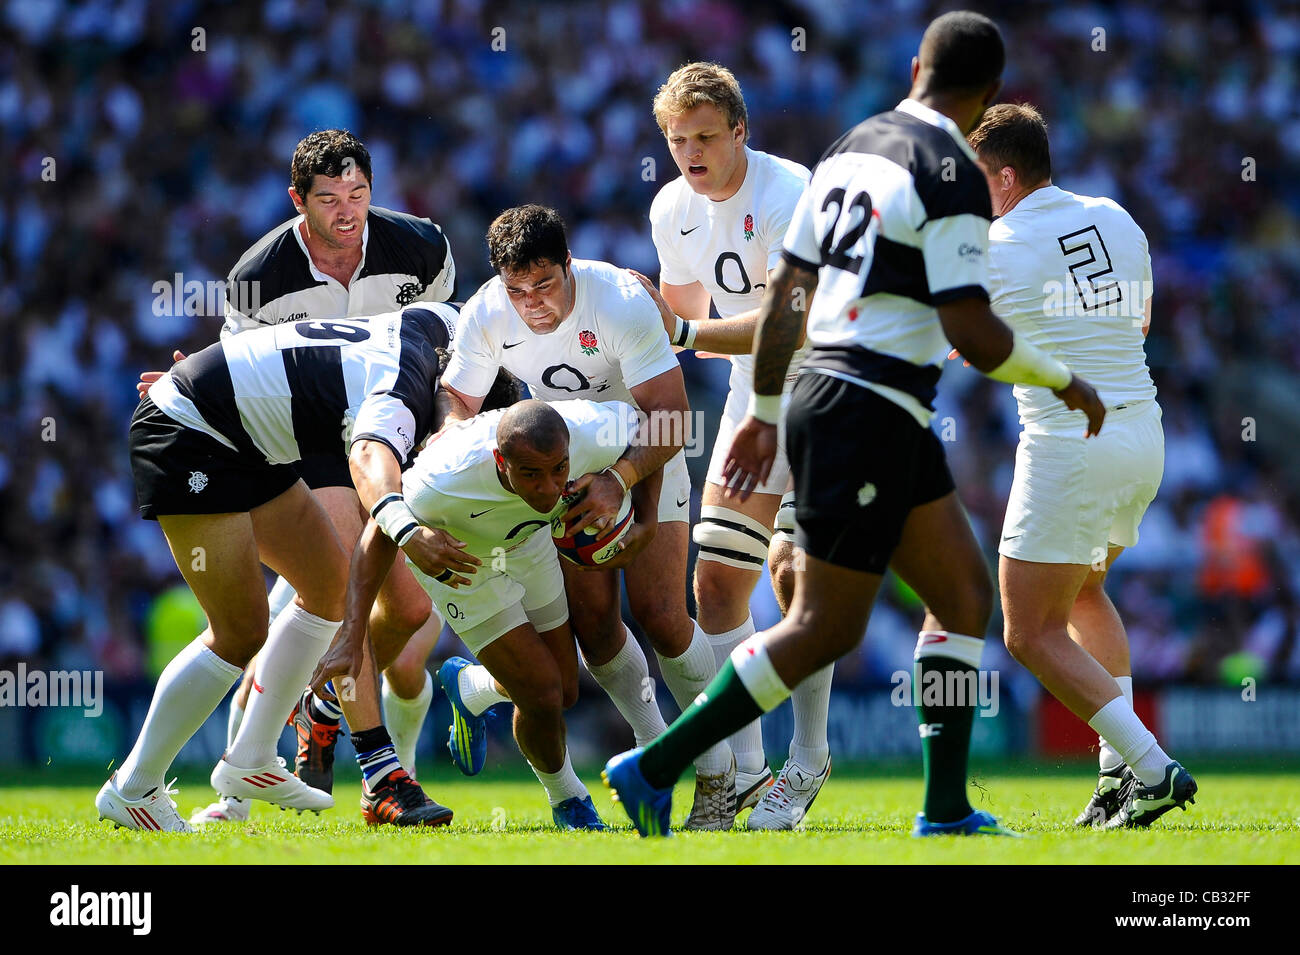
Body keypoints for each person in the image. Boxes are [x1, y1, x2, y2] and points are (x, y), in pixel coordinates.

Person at [603, 10, 1106, 838]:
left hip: (831, 401)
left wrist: (765, 413)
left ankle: (943, 807)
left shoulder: (853, 150)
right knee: (823, 618)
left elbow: (789, 297)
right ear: (985, 98)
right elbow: (973, 333)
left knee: (961, 596)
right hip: (867, 403)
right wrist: (1062, 377)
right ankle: (660, 764)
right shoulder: (947, 167)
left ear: (915, 67)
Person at [139, 130, 458, 825]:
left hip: (388, 428)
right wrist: (192, 380)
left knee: (402, 611)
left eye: (359, 195)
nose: (348, 212)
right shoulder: (259, 271)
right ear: (297, 201)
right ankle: (378, 776)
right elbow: (242, 374)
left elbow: (440, 363)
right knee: (337, 592)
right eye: (329, 199)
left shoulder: (425, 248)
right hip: (305, 442)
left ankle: (311, 707)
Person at [97, 306, 472, 831]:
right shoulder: (406, 388)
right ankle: (134, 787)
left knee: (330, 590)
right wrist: (410, 530)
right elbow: (370, 457)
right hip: (192, 429)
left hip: (248, 437)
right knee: (240, 631)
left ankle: (250, 756)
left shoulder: (437, 327)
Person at [439, 204, 738, 828]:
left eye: (544, 285)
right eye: (517, 290)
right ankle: (656, 763)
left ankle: (718, 774)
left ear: (569, 267)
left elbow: (671, 416)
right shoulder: (486, 312)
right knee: (595, 630)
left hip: (643, 454)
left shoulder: (620, 299)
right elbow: (458, 402)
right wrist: (455, 452)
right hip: (566, 472)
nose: (533, 304)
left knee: (661, 616)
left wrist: (626, 486)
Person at [967, 103, 1197, 828]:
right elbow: (1140, 324)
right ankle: (1115, 778)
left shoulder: (999, 242)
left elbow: (965, 343)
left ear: (1004, 177)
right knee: (1087, 594)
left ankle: (1153, 768)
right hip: (1142, 436)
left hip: (1072, 443)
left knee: (1028, 631)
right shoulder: (1116, 216)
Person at [637, 61, 834, 828]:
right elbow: (680, 328)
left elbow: (795, 319)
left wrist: (681, 329)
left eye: (706, 136)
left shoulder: (793, 193)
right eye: (678, 138)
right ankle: (747, 769)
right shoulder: (670, 209)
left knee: (796, 581)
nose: (690, 151)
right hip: (754, 395)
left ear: (740, 131)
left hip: (828, 389)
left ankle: (809, 756)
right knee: (716, 586)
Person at [312, 398, 658, 830]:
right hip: (463, 565)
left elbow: (659, 429)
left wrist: (647, 517)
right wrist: (352, 629)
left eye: (559, 469)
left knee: (565, 691)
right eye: (531, 474)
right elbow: (377, 534)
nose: (550, 488)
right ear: (500, 460)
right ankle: (568, 799)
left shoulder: (590, 429)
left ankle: (471, 687)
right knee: (543, 695)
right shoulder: (442, 481)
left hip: (530, 545)